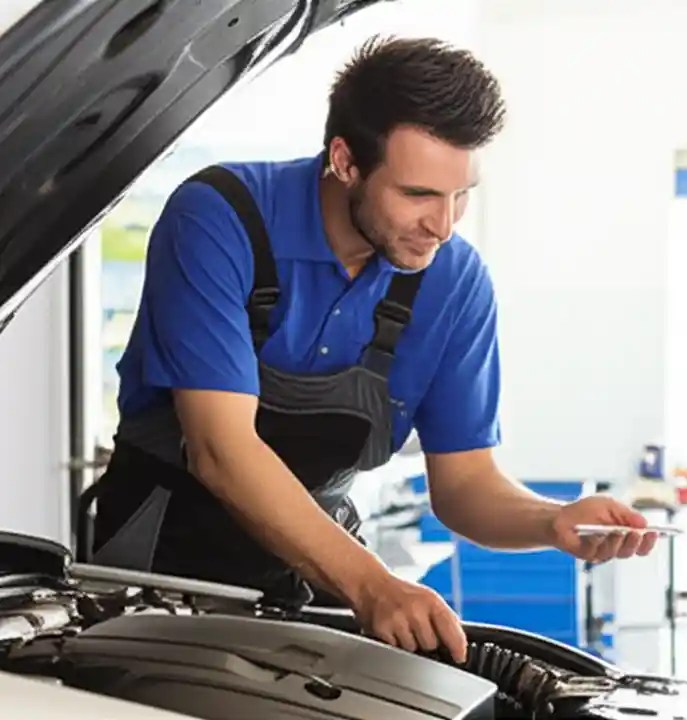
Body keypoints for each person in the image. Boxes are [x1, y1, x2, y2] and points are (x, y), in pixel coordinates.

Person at [89, 36, 658, 663]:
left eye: (461, 194)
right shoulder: (219, 220)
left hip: (318, 579)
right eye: (418, 195)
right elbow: (220, 451)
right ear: (345, 161)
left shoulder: (454, 281)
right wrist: (373, 586)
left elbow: (465, 483)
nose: (443, 225)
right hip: (159, 567)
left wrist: (551, 521)